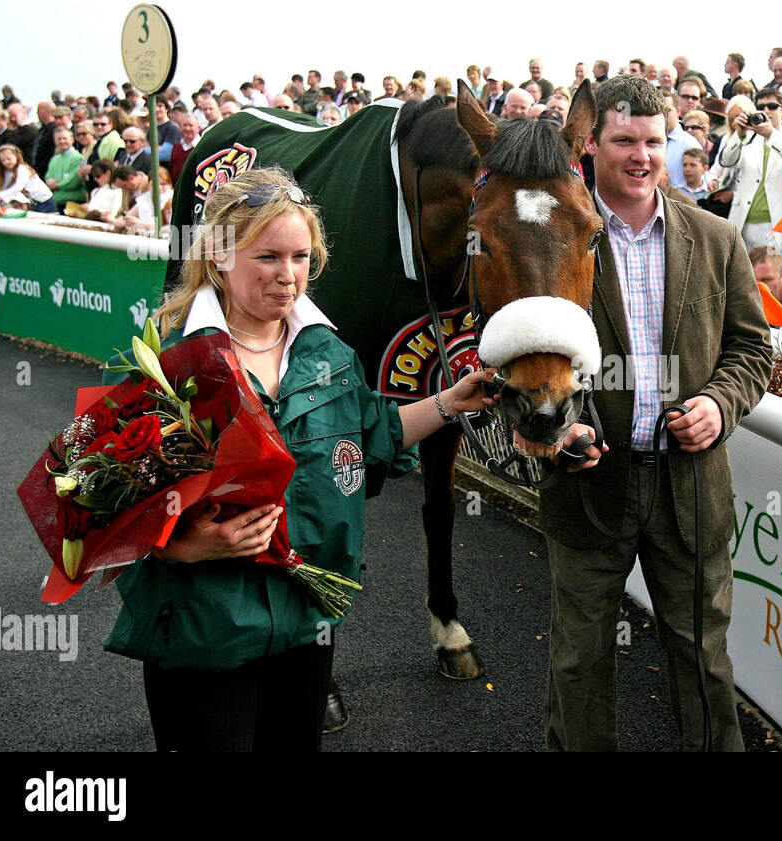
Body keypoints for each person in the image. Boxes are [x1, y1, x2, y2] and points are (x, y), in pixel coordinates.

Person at [103, 168, 496, 751]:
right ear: (217, 254)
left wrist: (446, 403)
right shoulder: (171, 357)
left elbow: (371, 438)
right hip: (204, 628)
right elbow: (101, 504)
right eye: (268, 257)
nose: (288, 277)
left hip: (306, 621)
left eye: (301, 256)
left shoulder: (328, 350)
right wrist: (188, 546)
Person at [537, 74, 773, 752]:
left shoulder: (718, 238)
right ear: (591, 148)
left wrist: (718, 404)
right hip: (589, 483)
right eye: (623, 141)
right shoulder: (557, 239)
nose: (641, 156)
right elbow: (529, 352)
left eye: (654, 141)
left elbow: (753, 351)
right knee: (579, 666)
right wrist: (561, 421)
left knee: (703, 661)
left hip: (690, 487)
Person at [720, 87, 782, 252]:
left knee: (772, 275)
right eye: (761, 107)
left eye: (772, 106)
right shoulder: (747, 140)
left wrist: (771, 135)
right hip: (744, 223)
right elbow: (726, 161)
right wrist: (738, 135)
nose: (766, 111)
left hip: (777, 223)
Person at [0, 144, 56, 212]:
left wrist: (0, 195)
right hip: (33, 204)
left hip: (45, 203)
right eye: (3, 160)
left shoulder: (22, 169)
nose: (6, 162)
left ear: (17, 156)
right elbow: (2, 186)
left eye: (8, 158)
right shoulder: (8, 172)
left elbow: (18, 187)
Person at [45, 126, 85, 207]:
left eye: (65, 138)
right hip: (55, 202)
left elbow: (73, 182)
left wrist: (56, 185)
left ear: (72, 140)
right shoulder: (54, 159)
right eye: (59, 139)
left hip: (72, 201)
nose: (62, 141)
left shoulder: (78, 158)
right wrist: (60, 182)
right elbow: (48, 178)